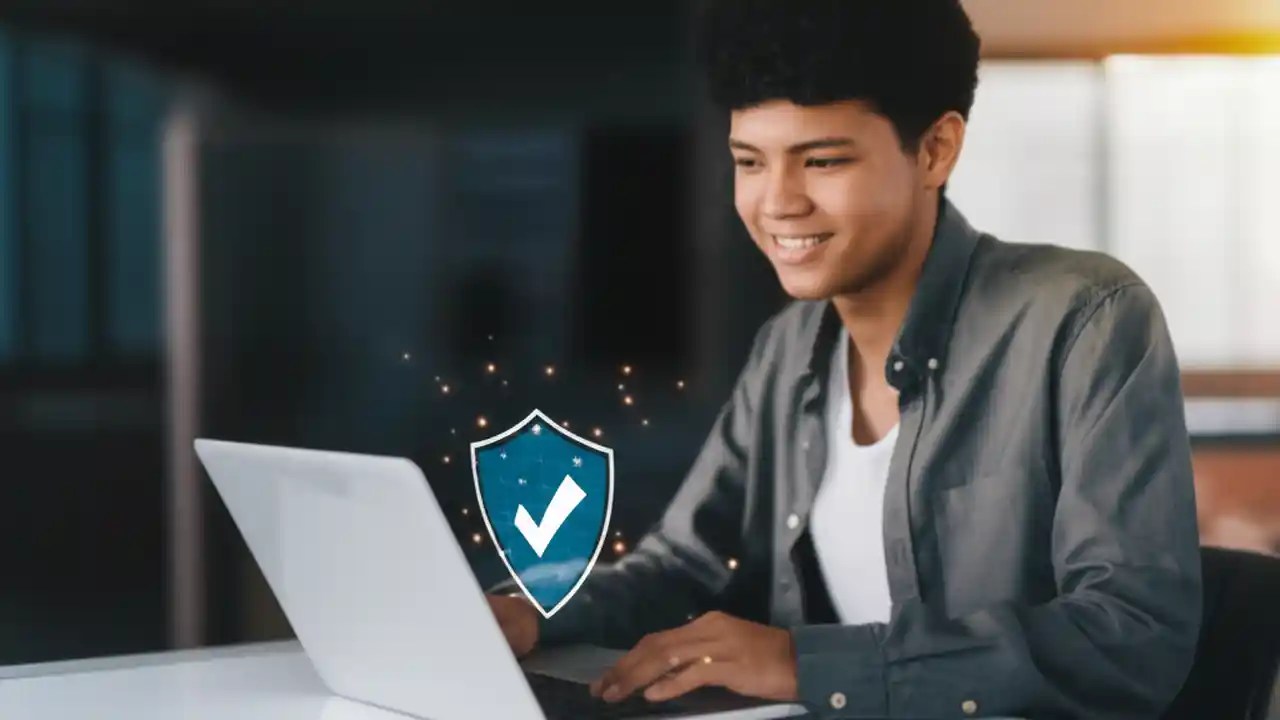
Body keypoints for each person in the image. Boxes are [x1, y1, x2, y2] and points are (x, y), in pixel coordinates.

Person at [488, 1, 1203, 717]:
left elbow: (1129, 636)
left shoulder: (1085, 321)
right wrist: (528, 611)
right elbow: (685, 564)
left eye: (823, 161)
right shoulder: (787, 348)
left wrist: (805, 664)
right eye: (749, 162)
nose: (777, 203)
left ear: (935, 151)